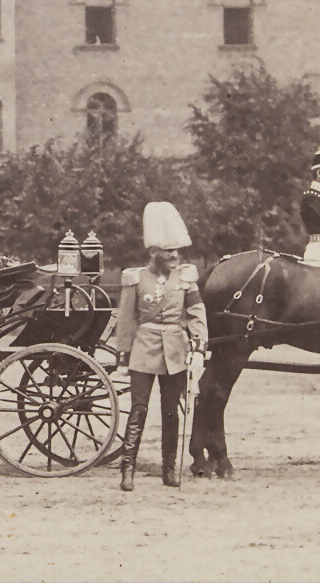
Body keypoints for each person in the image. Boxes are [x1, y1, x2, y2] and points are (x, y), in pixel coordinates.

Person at [114, 202, 208, 491]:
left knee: (171, 412)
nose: (174, 256)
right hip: (144, 349)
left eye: (176, 251)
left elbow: (196, 313)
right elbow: (126, 319)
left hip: (175, 353)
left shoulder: (186, 277)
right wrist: (123, 354)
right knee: (138, 410)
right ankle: (127, 469)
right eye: (168, 251)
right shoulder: (136, 278)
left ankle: (169, 470)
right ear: (153, 252)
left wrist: (200, 346)